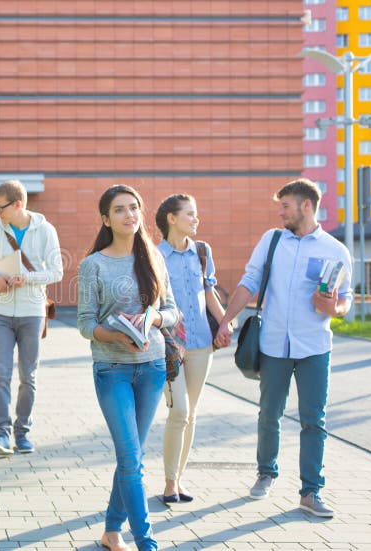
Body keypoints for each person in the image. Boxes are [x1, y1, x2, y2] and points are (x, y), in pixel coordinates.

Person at [214, 179, 352, 518]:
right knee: (269, 414)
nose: (280, 212)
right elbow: (249, 282)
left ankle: (311, 491)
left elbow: (345, 300)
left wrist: (333, 309)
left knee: (313, 420)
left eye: (285, 206)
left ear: (306, 206)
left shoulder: (335, 250)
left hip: (315, 346)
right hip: (274, 343)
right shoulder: (272, 240)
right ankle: (266, 473)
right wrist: (225, 320)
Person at [77, 185, 178, 551]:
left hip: (151, 367)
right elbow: (85, 323)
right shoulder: (93, 265)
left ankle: (110, 530)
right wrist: (117, 335)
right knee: (131, 459)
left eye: (134, 208)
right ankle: (147, 543)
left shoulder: (153, 257)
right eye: (119, 210)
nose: (129, 215)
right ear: (106, 219)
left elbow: (172, 311)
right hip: (112, 368)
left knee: (130, 458)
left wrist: (151, 322)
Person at [0, 179, 63, 455]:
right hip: (0, 312)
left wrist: (28, 279)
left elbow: (57, 271)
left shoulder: (46, 230)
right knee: (1, 374)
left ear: (18, 204)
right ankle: (1, 434)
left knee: (29, 376)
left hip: (32, 313)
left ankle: (22, 432)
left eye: (0, 207)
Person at [154, 194, 226, 504]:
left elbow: (208, 292)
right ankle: (169, 483)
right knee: (178, 410)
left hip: (201, 342)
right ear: (171, 217)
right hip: (168, 345)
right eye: (190, 214)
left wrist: (224, 323)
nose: (196, 220)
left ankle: (179, 480)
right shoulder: (154, 255)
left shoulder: (202, 251)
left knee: (191, 414)